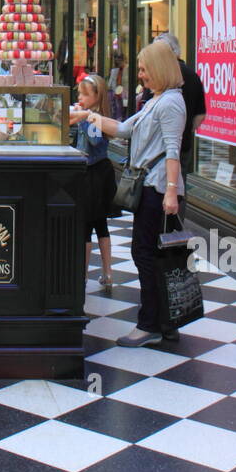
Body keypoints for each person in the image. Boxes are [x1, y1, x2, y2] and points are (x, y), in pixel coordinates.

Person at [84, 39, 186, 347]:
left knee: (147, 254)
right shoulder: (157, 99)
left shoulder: (169, 103)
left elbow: (172, 150)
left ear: (158, 68)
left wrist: (170, 192)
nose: (140, 74)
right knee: (151, 254)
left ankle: (149, 324)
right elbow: (125, 129)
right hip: (152, 188)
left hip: (157, 189)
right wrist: (87, 116)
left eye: (143, 69)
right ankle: (162, 322)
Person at [70, 74, 117, 289]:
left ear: (97, 97)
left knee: (88, 225)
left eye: (84, 94)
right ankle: (106, 273)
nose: (80, 97)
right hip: (98, 172)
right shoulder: (95, 115)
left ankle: (83, 274)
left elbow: (95, 140)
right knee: (100, 225)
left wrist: (82, 119)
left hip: (95, 174)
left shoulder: (94, 117)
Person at [139, 33, 206, 170]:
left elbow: (143, 111)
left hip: (156, 149)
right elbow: (200, 115)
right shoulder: (193, 75)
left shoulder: (158, 76)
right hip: (183, 145)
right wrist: (184, 129)